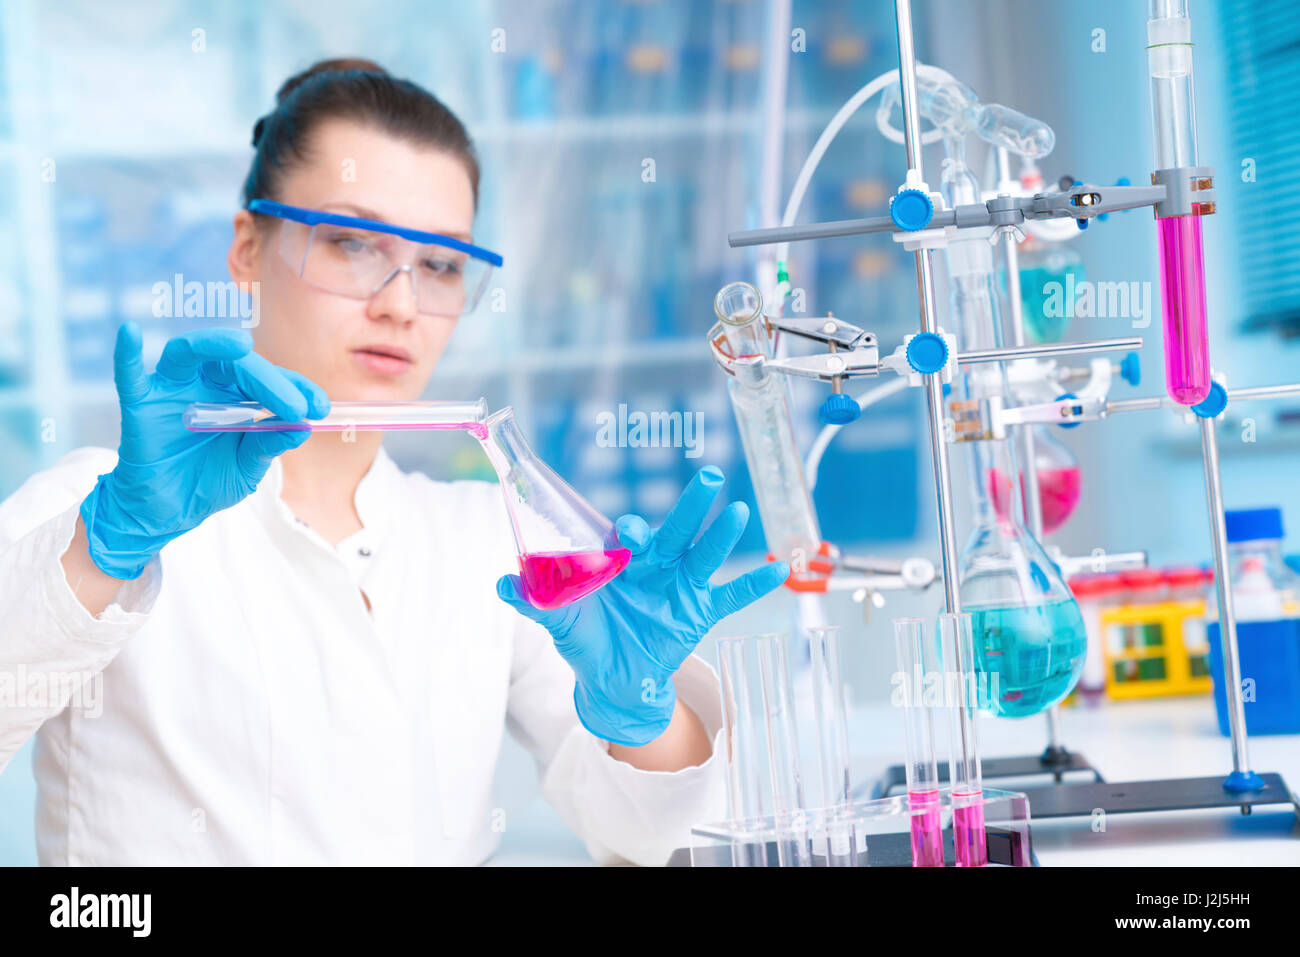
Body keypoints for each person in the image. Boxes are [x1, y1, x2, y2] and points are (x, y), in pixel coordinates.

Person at [0, 59, 789, 866]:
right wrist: (105, 545)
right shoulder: (99, 506)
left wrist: (644, 714)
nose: (402, 304)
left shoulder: (484, 538)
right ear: (247, 247)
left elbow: (647, 834)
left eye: (443, 264)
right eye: (350, 243)